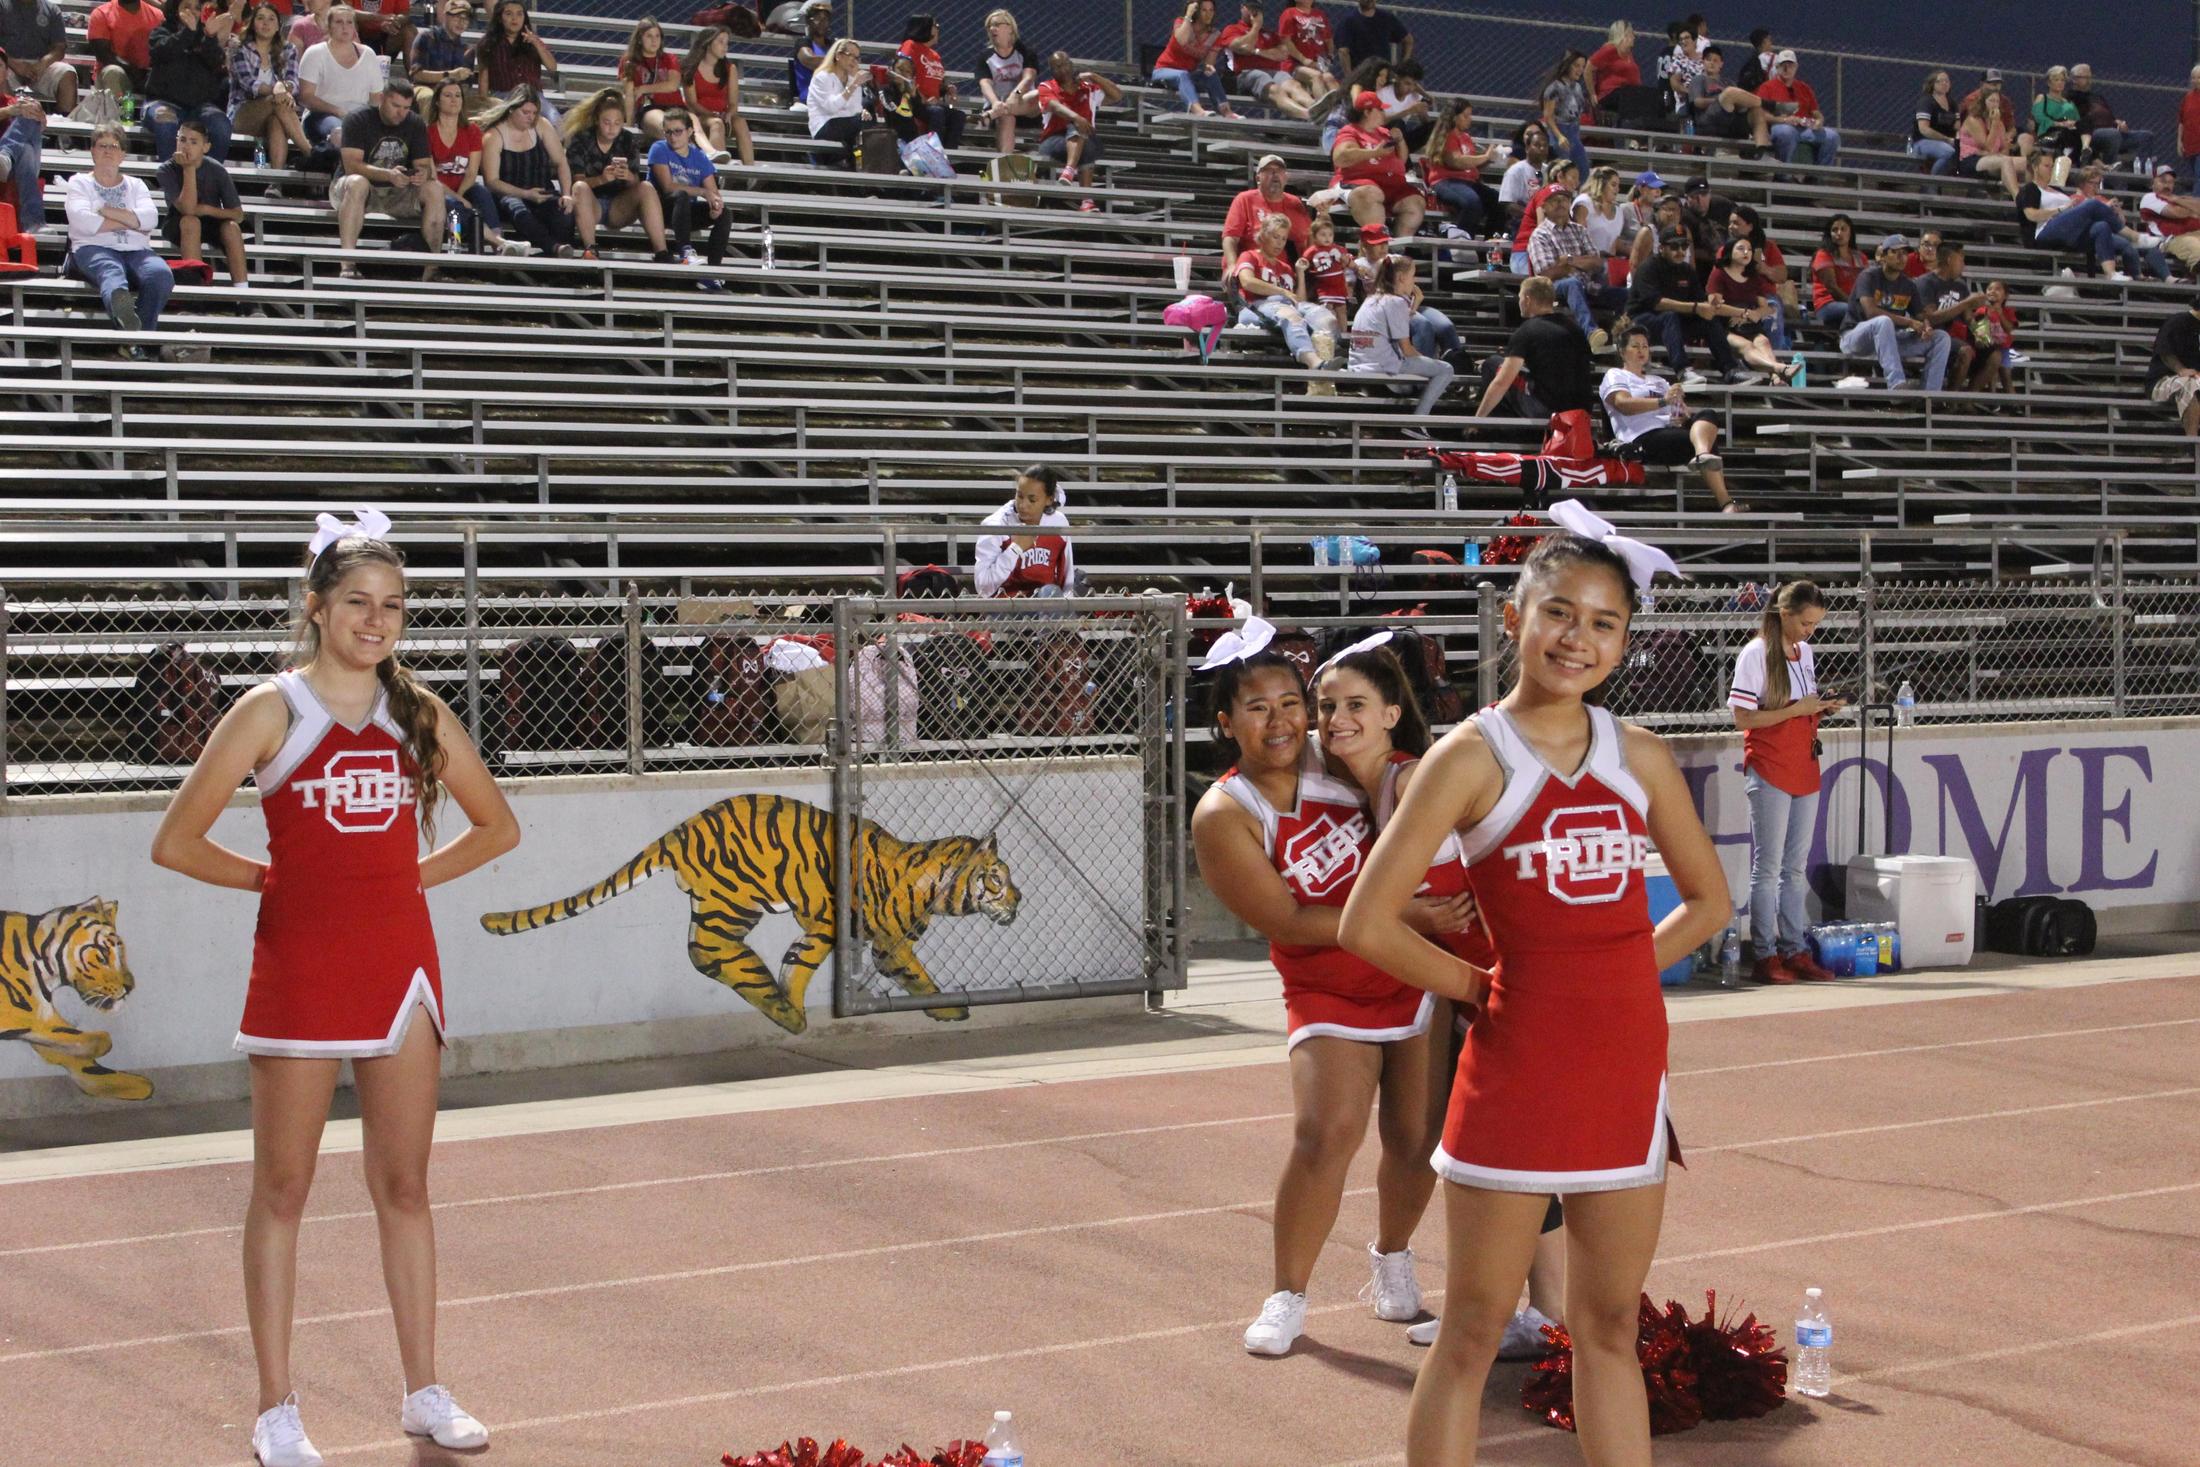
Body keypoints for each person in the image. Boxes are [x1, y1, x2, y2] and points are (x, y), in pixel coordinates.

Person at [1338, 508, 1728, 1465]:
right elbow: (1367, 920)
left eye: (1603, 622)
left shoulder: (1639, 754)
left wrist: (1618, 977)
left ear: (1624, 641)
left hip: (1626, 1068)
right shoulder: (1469, 755)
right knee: (1472, 1332)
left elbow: (1711, 901)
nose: (1578, 638)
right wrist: (1477, 986)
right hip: (1514, 1069)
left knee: (1607, 1326)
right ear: (1514, 618)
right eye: (1559, 612)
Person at [149, 512, 519, 1467]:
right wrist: (275, 881)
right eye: (356, 601)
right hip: (303, 969)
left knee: (405, 1184)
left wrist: (403, 883)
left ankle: (425, 1388)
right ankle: (276, 1408)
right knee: (283, 1187)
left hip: (402, 973)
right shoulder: (269, 710)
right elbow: (176, 840)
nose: (376, 619)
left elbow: (496, 827)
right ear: (316, 608)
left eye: (392, 604)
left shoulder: (420, 711)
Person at [1192, 624, 1475, 1358]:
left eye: (1293, 702)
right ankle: (1286, 1294)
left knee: (1417, 1137)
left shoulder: (1341, 757)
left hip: (1412, 970)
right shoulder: (1226, 812)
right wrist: (1402, 910)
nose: (1282, 720)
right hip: (1327, 985)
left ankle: (1392, 1254)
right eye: (1258, 708)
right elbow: (1285, 917)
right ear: (1225, 721)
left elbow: (1407, 773)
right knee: (1327, 1133)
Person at [1728, 580, 1841, 983]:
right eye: (1806, 623)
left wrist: (1819, 709)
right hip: (1771, 766)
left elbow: (1798, 709)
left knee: (1794, 868)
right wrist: (1798, 710)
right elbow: (1743, 718)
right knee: (1769, 867)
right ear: (1785, 614)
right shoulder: (1756, 653)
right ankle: (1764, 954)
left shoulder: (1804, 652)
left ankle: (1794, 949)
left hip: (1804, 767)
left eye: (1815, 625)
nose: (1810, 631)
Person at [1601, 326, 1741, 509]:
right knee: (1707, 441)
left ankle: (1702, 454)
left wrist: (1680, 413)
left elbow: (1677, 413)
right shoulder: (1615, 374)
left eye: (1644, 346)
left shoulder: (1659, 381)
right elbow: (1623, 404)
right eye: (1635, 346)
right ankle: (1725, 502)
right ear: (1622, 351)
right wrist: (1663, 401)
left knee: (1708, 415)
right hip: (1639, 438)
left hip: (1667, 432)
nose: (1641, 350)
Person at [66, 126, 173, 359]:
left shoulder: (137, 185)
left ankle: (134, 341)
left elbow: (150, 219)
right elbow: (83, 222)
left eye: (113, 146)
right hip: (93, 248)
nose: (107, 151)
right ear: (92, 151)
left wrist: (104, 211)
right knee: (112, 274)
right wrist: (130, 220)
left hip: (137, 250)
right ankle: (135, 342)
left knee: (160, 274)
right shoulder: (79, 183)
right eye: (102, 145)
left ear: (122, 154)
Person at [333, 79, 444, 273]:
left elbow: (423, 164)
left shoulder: (415, 123)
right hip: (357, 189)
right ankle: (347, 264)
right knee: (357, 183)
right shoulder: (357, 119)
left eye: (406, 108)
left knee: (434, 188)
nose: (401, 113)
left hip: (397, 191)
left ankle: (431, 269)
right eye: (396, 106)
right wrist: (388, 175)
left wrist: (421, 174)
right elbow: (352, 166)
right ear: (382, 99)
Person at [560, 87, 667, 262]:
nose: (611, 129)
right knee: (580, 187)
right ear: (597, 120)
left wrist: (628, 176)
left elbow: (636, 183)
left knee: (646, 187)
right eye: (606, 122)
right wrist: (602, 179)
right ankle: (590, 248)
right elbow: (577, 183)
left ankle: (662, 252)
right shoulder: (581, 139)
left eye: (617, 123)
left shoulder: (627, 140)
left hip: (619, 206)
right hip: (589, 203)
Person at [1472, 274, 1594, 423]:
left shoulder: (1527, 331)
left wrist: (1476, 420)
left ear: (1528, 299)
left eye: (1520, 297)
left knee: (1492, 364)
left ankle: (1499, 431)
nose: (1520, 302)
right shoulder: (1575, 328)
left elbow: (1502, 382)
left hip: (1546, 409)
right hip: (1580, 409)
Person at [1626, 226, 1740, 383]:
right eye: (1674, 247)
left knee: (1708, 321)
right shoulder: (1649, 267)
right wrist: (1695, 307)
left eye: (1684, 246)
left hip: (1674, 323)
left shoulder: (1687, 270)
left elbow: (1700, 301)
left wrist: (1711, 304)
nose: (1680, 251)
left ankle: (1730, 370)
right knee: (1669, 316)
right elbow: (1657, 304)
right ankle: (1683, 371)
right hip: (1641, 322)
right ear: (1661, 248)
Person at [1238, 213, 1336, 392]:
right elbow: (1247, 282)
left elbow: (1298, 301)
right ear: (1264, 234)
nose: (1279, 243)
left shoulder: (1285, 267)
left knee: (1325, 316)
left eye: (1283, 239)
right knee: (1289, 314)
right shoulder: (1249, 256)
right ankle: (1314, 362)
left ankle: (1327, 359)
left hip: (1286, 306)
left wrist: (1299, 273)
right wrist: (1281, 290)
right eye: (1275, 237)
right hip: (1256, 306)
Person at [1842, 234, 1952, 391]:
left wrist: (1925, 326)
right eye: (1896, 252)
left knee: (1941, 337)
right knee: (1883, 321)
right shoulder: (1868, 276)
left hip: (1890, 342)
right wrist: (1908, 322)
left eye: (1905, 253)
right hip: (1856, 337)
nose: (1902, 257)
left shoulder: (1908, 284)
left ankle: (1931, 394)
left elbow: (1919, 315)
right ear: (1884, 255)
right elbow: (1871, 312)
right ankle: (1896, 384)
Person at [1350, 255, 1453, 418]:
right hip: (1381, 369)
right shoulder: (1395, 302)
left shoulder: (1371, 299)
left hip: (1359, 366)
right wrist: (1430, 363)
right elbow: (1407, 350)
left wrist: (1415, 303)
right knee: (1446, 369)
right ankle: (1418, 422)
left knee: (1422, 375)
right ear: (1401, 277)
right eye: (1413, 275)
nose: (1415, 280)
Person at [2018, 149, 2147, 277]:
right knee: (2092, 203)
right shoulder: (2031, 188)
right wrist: (2061, 209)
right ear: (2035, 167)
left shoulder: (2057, 189)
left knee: (2102, 226)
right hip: (2046, 231)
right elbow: (2031, 215)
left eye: (2052, 166)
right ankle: (2135, 236)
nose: (2050, 169)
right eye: (2046, 166)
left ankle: (2111, 273)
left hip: (2069, 231)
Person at [479, 85, 574, 257]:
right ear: (511, 110)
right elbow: (492, 181)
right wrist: (525, 194)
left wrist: (566, 193)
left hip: (541, 190)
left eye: (534, 113)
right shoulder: (494, 136)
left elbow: (561, 162)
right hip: (508, 193)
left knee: (564, 215)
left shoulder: (542, 126)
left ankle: (555, 265)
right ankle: (554, 248)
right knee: (519, 211)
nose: (531, 117)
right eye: (525, 112)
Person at [423, 76, 510, 252]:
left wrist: (461, 195)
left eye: (458, 95)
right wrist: (459, 199)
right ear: (437, 102)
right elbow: (432, 177)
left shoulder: (472, 131)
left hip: (463, 187)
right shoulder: (427, 132)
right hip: (438, 190)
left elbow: (471, 172)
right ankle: (496, 243)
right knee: (451, 204)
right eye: (448, 95)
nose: (454, 100)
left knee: (481, 192)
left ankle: (498, 240)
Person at [1527, 186, 1619, 352]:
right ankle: (1591, 332)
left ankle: (1626, 339)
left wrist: (1569, 261)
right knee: (1572, 283)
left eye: (1564, 199)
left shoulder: (1580, 230)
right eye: (1554, 200)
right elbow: (1545, 274)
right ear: (1545, 207)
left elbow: (1597, 263)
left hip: (1587, 286)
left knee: (1625, 294)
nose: (1560, 203)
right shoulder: (1539, 235)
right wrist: (1581, 264)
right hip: (1553, 289)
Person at [647, 107, 731, 286]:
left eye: (678, 131)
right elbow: (668, 187)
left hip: (684, 212)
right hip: (660, 209)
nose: (673, 136)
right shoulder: (659, 148)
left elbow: (713, 192)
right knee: (680, 195)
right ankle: (685, 252)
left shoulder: (699, 157)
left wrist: (716, 206)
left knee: (725, 213)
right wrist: (702, 192)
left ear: (690, 132)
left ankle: (713, 271)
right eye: (668, 132)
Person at [158, 118, 247, 282]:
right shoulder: (166, 169)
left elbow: (238, 215)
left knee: (232, 228)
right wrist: (189, 168)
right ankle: (197, 289)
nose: (186, 146)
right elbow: (188, 209)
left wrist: (206, 210)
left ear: (205, 147)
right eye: (182, 140)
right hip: (178, 223)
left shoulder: (217, 169)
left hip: (211, 221)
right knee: (191, 222)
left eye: (193, 142)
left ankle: (244, 294)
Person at [1331, 87, 1426, 239]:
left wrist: (1400, 141)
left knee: (1415, 202)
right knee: (1369, 194)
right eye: (1380, 109)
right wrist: (1374, 153)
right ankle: (1378, 242)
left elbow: (1400, 161)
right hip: (1359, 181)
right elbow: (1340, 157)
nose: (1384, 113)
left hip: (1392, 185)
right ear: (1367, 112)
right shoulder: (1350, 131)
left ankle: (1398, 248)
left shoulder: (1384, 132)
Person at [143, 0, 231, 163]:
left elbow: (217, 62)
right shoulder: (161, 32)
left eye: (197, 8)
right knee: (166, 122)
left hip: (199, 107)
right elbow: (163, 52)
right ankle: (172, 181)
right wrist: (187, 33)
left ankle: (207, 181)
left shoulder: (206, 37)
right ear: (176, 9)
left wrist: (210, 38)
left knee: (221, 125)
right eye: (186, 7)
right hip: (162, 102)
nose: (192, 11)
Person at [1353, 223, 1456, 357]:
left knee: (1445, 326)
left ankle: (1458, 362)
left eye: (1385, 243)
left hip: (1411, 305)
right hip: (1388, 311)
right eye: (1378, 243)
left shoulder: (1396, 259)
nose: (1383, 247)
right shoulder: (1359, 265)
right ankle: (1424, 370)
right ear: (1364, 245)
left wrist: (1415, 303)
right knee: (1422, 325)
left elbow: (1412, 287)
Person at [1708, 238, 1802, 382]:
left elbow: (1766, 307)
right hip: (1724, 326)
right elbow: (1715, 307)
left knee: (1763, 341)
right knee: (1746, 345)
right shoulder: (1719, 274)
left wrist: (1755, 313)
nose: (1746, 252)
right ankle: (1779, 369)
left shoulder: (1753, 277)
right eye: (1741, 248)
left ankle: (1776, 376)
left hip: (1749, 325)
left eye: (1750, 249)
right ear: (1730, 251)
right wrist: (1741, 313)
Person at [298, 5, 381, 168]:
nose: (345, 27)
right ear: (329, 26)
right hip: (322, 115)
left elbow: (376, 98)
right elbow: (306, 97)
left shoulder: (369, 55)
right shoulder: (315, 54)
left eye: (349, 22)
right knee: (341, 133)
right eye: (339, 22)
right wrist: (337, 111)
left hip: (359, 116)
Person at [1031, 50, 1118, 201]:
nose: (1062, 69)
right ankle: (1085, 198)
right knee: (1079, 129)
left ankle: (1070, 174)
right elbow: (1056, 107)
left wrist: (1093, 76)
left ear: (1071, 65)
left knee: (1087, 140)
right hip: (1053, 143)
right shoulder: (1047, 86)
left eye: (1065, 65)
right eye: (1057, 67)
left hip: (1085, 140)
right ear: (1051, 71)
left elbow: (1117, 95)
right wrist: (1077, 118)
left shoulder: (1088, 88)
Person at [975, 464, 1074, 596]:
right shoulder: (996, 525)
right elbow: (983, 588)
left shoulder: (1058, 523)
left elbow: (1067, 579)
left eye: (1032, 500)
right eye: (1019, 496)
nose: (1023, 505)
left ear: (1049, 500)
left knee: (1050, 592)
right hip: (1003, 609)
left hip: (1044, 607)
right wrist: (1015, 549)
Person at [1913, 238, 1988, 388]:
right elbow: (1930, 318)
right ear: (1949, 260)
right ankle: (1951, 401)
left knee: (1994, 354)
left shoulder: (1960, 285)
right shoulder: (1925, 282)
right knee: (1965, 351)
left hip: (1953, 337)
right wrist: (1966, 303)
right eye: (1961, 260)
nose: (1963, 265)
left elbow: (1968, 317)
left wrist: (1982, 334)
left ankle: (1967, 399)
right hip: (1929, 335)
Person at [1222, 3, 1316, 122]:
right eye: (1251, 8)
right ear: (1242, 8)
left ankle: (1316, 108)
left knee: (1292, 84)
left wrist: (1256, 51)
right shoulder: (1233, 29)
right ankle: (1309, 115)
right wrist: (1255, 28)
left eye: (1257, 9)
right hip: (1245, 74)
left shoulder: (1270, 34)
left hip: (1273, 72)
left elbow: (1282, 54)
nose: (1254, 12)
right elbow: (1243, 48)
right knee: (1270, 84)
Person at [1221, 151, 1310, 275]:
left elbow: (1305, 241)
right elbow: (1230, 238)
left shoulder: (1294, 203)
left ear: (1285, 178)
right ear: (1258, 178)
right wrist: (1232, 266)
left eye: (1279, 170)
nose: (1275, 174)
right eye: (1268, 170)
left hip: (1282, 273)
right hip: (1250, 269)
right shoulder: (1245, 199)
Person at [1420, 98, 1499, 234]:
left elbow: (1470, 167)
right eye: (1465, 115)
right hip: (1446, 182)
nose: (1470, 119)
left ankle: (1490, 244)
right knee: (1471, 202)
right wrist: (1485, 156)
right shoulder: (1447, 136)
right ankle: (1460, 242)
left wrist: (1488, 160)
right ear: (1454, 117)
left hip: (1468, 182)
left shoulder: (1466, 138)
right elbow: (1456, 161)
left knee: (1498, 202)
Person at [680, 25, 754, 167]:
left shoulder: (729, 69)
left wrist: (729, 114)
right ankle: (721, 168)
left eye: (727, 43)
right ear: (708, 43)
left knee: (740, 121)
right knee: (716, 123)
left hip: (722, 116)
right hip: (701, 117)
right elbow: (692, 103)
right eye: (720, 42)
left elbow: (733, 103)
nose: (725, 47)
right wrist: (711, 114)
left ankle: (751, 169)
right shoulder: (691, 67)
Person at [473, 0, 556, 122]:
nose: (514, 18)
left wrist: (537, 44)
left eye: (519, 14)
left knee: (555, 120)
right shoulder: (487, 43)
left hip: (533, 96)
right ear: (500, 18)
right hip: (503, 96)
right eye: (508, 14)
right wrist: (484, 105)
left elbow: (552, 67)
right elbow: (484, 79)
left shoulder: (533, 41)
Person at [973, 9, 1041, 153]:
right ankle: (1005, 164)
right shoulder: (985, 57)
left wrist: (1015, 94)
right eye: (989, 26)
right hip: (997, 107)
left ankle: (990, 116)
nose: (992, 29)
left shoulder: (1026, 52)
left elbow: (1028, 78)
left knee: (1040, 94)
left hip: (1024, 105)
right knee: (1007, 116)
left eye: (997, 24)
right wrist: (995, 103)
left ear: (1010, 27)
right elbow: (985, 84)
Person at [1756, 49, 1838, 167]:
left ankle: (1817, 177)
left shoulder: (1804, 87)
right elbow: (1761, 114)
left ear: (1796, 67)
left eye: (1790, 65)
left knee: (1832, 136)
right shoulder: (1767, 87)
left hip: (1804, 128)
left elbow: (1816, 113)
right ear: (1777, 67)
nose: (1786, 69)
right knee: (1786, 132)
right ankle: (1784, 175)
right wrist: (1784, 120)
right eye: (1783, 65)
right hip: (1779, 126)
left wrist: (1819, 121)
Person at [896, 13, 963, 150]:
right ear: (923, 27)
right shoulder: (910, 46)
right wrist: (923, 99)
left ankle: (948, 156)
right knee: (936, 112)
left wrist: (946, 89)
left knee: (958, 116)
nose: (938, 29)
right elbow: (904, 76)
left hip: (932, 103)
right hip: (913, 101)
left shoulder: (935, 55)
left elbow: (934, 81)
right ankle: (932, 153)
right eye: (935, 25)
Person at [1153, 0, 1231, 117]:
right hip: (1163, 71)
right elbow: (1182, 40)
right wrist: (1188, 15)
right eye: (1204, 10)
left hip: (1188, 75)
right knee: (1182, 74)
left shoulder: (1214, 35)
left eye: (1211, 10)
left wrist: (1209, 69)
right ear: (1196, 12)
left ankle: (1227, 112)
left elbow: (1208, 64)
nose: (1208, 14)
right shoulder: (1180, 22)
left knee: (1210, 75)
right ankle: (1198, 111)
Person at [803, 37, 871, 170]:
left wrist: (853, 81)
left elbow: (855, 108)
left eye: (857, 58)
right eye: (850, 55)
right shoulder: (822, 77)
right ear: (838, 56)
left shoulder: (852, 78)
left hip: (844, 125)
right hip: (824, 126)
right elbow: (831, 107)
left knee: (867, 120)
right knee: (862, 124)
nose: (854, 60)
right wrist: (854, 85)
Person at [1, 0, 78, 114]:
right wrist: (14, 64)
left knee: (67, 73)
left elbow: (59, 48)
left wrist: (43, 63)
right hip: (7, 61)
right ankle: (8, 120)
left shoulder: (52, 10)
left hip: (41, 65)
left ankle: (63, 125)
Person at [1688, 44, 1770, 151]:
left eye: (1715, 60)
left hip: (1730, 121)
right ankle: (1770, 104)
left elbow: (1739, 101)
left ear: (1721, 64)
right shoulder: (1699, 79)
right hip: (1709, 120)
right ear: (1703, 62)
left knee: (1757, 111)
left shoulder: (1728, 82)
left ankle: (1761, 152)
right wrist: (1721, 99)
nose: (1712, 63)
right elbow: (1697, 102)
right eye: (1708, 60)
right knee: (1730, 93)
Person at [615, 16, 682, 143]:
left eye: (657, 36)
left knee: (693, 126)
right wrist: (629, 123)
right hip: (649, 108)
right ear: (640, 39)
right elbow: (630, 94)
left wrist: (644, 88)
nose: (654, 40)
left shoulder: (669, 58)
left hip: (676, 106)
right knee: (669, 127)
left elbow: (672, 85)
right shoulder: (629, 61)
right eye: (649, 36)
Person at [1588, 19, 1660, 132]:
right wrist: (1592, 94)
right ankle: (1628, 131)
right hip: (1609, 94)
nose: (1634, 37)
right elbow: (1589, 68)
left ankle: (1649, 138)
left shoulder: (1629, 54)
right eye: (1631, 34)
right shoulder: (1610, 49)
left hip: (1627, 94)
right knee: (1629, 96)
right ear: (1623, 35)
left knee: (1652, 99)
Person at [411, 0, 479, 115]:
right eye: (457, 17)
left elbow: (466, 86)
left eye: (465, 19)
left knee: (489, 104)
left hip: (452, 93)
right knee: (429, 96)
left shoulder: (467, 50)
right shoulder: (427, 37)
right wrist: (451, 75)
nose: (461, 22)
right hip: (424, 88)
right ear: (445, 16)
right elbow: (417, 75)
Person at [2148, 289, 2200, 437]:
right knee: (2190, 385)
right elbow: (2165, 352)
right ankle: (2193, 442)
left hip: (2196, 376)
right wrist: (2181, 369)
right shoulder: (2178, 322)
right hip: (2164, 379)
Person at [1957, 89, 2026, 199]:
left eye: (1997, 101)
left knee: (2027, 162)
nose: (1995, 104)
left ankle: (2033, 197)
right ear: (1983, 102)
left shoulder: (2000, 124)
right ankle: (2017, 198)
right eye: (1991, 101)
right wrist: (1994, 125)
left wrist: (1997, 124)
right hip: (1972, 159)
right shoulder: (1973, 120)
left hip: (1994, 158)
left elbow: (2004, 149)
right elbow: (1987, 146)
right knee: (2006, 161)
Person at [0, 64, 45, 235]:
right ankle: (34, 222)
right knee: (25, 151)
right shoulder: (14, 106)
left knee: (31, 110)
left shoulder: (17, 102)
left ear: (7, 73)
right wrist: (10, 111)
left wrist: (39, 119)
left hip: (10, 168)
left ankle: (6, 156)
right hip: (11, 166)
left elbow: (38, 130)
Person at [88, 0, 158, 100]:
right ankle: (115, 115)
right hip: (115, 76)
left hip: (148, 77)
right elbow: (103, 55)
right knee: (113, 71)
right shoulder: (101, 13)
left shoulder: (157, 15)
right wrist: (136, 72)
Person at [1809, 212, 1865, 331]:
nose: (1839, 233)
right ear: (1829, 234)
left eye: (1843, 229)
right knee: (1858, 312)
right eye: (1835, 230)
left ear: (1850, 232)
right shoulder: (1823, 255)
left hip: (1853, 304)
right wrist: (1856, 306)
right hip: (1827, 305)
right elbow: (1832, 288)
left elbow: (1866, 285)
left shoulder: (1860, 257)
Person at [1297, 213, 1352, 335]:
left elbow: (1349, 262)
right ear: (1315, 237)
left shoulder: (1339, 249)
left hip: (1339, 286)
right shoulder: (1312, 250)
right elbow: (1304, 261)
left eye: (1330, 235)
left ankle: (1343, 333)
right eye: (1323, 235)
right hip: (1324, 287)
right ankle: (1328, 332)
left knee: (1342, 310)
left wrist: (1347, 261)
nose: (1327, 238)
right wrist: (1303, 263)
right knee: (1327, 309)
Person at [2141, 164, 2200, 277]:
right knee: (2193, 245)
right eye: (2163, 181)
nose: (2167, 185)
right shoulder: (2150, 197)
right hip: (2173, 238)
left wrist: (2178, 200)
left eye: (2171, 182)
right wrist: (2192, 208)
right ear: (2152, 183)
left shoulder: (2177, 199)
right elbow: (2176, 213)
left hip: (2197, 233)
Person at [1540, 49, 1591, 179]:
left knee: (1583, 169)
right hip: (1560, 130)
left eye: (1582, 67)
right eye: (1576, 65)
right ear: (1568, 65)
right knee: (1563, 169)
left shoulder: (1577, 87)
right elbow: (1548, 116)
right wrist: (1559, 136)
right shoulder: (1555, 87)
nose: (1580, 70)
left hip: (1573, 131)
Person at [1335, 0, 1410, 74]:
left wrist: (1349, 78)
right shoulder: (1349, 21)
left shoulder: (1387, 18)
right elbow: (1343, 51)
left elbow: (1408, 41)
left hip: (1369, 74)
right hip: (1374, 75)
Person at [1910, 69, 1960, 175]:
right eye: (1940, 81)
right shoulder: (1926, 102)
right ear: (1932, 84)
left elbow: (1957, 126)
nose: (1944, 83)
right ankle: (1932, 181)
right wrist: (1946, 139)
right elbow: (1924, 129)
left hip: (1948, 142)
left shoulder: (1952, 103)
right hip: (1922, 142)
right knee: (1948, 152)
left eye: (1947, 81)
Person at [2031, 66, 2081, 167]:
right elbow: (2039, 117)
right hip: (2048, 136)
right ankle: (2067, 157)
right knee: (2064, 132)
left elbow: (2077, 121)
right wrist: (2060, 124)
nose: (2060, 82)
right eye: (2056, 80)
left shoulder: (2069, 104)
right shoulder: (2043, 98)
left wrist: (2072, 124)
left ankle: (2085, 154)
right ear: (2049, 83)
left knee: (2085, 127)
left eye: (2062, 80)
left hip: (2069, 133)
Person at [787, 0, 832, 108]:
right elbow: (809, 60)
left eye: (825, 19)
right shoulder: (803, 43)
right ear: (808, 21)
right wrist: (837, 61)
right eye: (817, 18)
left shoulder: (832, 45)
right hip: (810, 99)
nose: (822, 22)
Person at [2183, 64, 2200, 191]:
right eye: (2193, 78)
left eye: (2199, 77)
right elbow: (2181, 121)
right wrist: (2179, 141)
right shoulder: (2188, 97)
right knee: (2194, 175)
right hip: (2190, 145)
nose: (2195, 80)